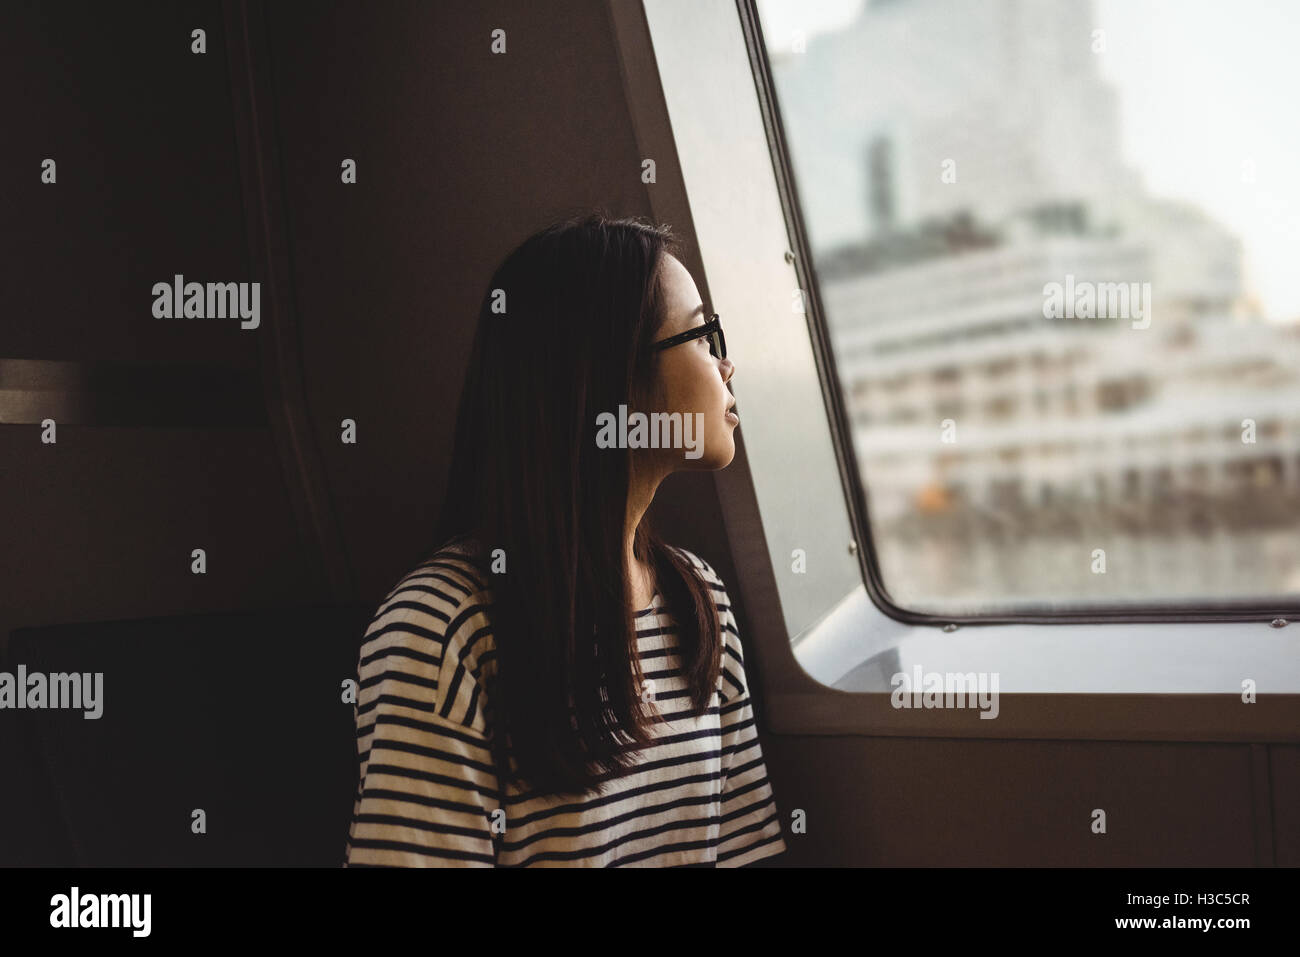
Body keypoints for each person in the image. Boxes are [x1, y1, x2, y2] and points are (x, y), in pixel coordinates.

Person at [343, 212, 787, 867]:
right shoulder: (441, 629)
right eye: (701, 332)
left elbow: (743, 853)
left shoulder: (701, 598)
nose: (727, 363)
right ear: (613, 375)